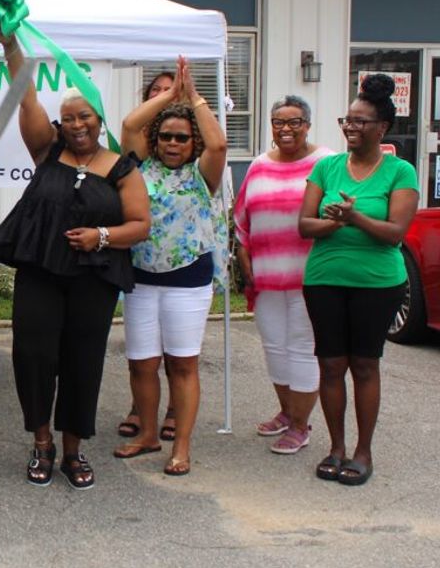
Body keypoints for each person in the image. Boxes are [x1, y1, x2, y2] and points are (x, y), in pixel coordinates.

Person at [0, 33, 150, 490]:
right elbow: (25, 95)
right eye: (70, 117)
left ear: (99, 120)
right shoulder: (48, 150)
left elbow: (140, 225)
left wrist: (101, 237)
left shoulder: (122, 168)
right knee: (34, 356)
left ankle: (73, 450)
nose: (77, 124)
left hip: (93, 280)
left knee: (82, 361)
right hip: (40, 272)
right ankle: (42, 444)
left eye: (86, 116)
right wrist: (11, 45)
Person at [299, 73, 418, 486]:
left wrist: (354, 217)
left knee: (365, 364)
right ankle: (336, 448)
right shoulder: (327, 168)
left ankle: (363, 452)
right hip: (324, 278)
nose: (350, 127)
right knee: (331, 364)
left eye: (359, 121)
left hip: (377, 283)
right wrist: (334, 224)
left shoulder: (400, 172)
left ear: (381, 128)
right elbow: (304, 225)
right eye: (347, 120)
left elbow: (395, 233)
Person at [118, 56, 228, 477]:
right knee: (141, 363)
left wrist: (193, 97)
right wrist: (169, 96)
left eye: (182, 137)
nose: (172, 143)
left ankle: (181, 446)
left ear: (192, 142)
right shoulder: (139, 167)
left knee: (181, 364)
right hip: (140, 280)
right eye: (165, 136)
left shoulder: (203, 174)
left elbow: (218, 146)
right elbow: (130, 125)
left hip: (188, 281)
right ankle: (148, 434)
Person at [234, 95, 331, 454]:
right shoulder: (259, 164)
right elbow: (242, 217)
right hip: (266, 276)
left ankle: (302, 426)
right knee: (274, 347)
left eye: (294, 122)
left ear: (308, 125)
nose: (286, 129)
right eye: (279, 122)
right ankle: (288, 412)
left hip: (311, 275)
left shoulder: (326, 162)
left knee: (303, 349)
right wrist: (243, 254)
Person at [117, 71, 178, 442]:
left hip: (183, 263)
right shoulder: (139, 148)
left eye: (170, 91)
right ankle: (140, 408)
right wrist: (169, 96)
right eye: (156, 90)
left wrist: (184, 100)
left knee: (177, 349)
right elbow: (129, 124)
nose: (163, 95)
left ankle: (173, 409)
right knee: (141, 349)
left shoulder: (191, 146)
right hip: (140, 259)